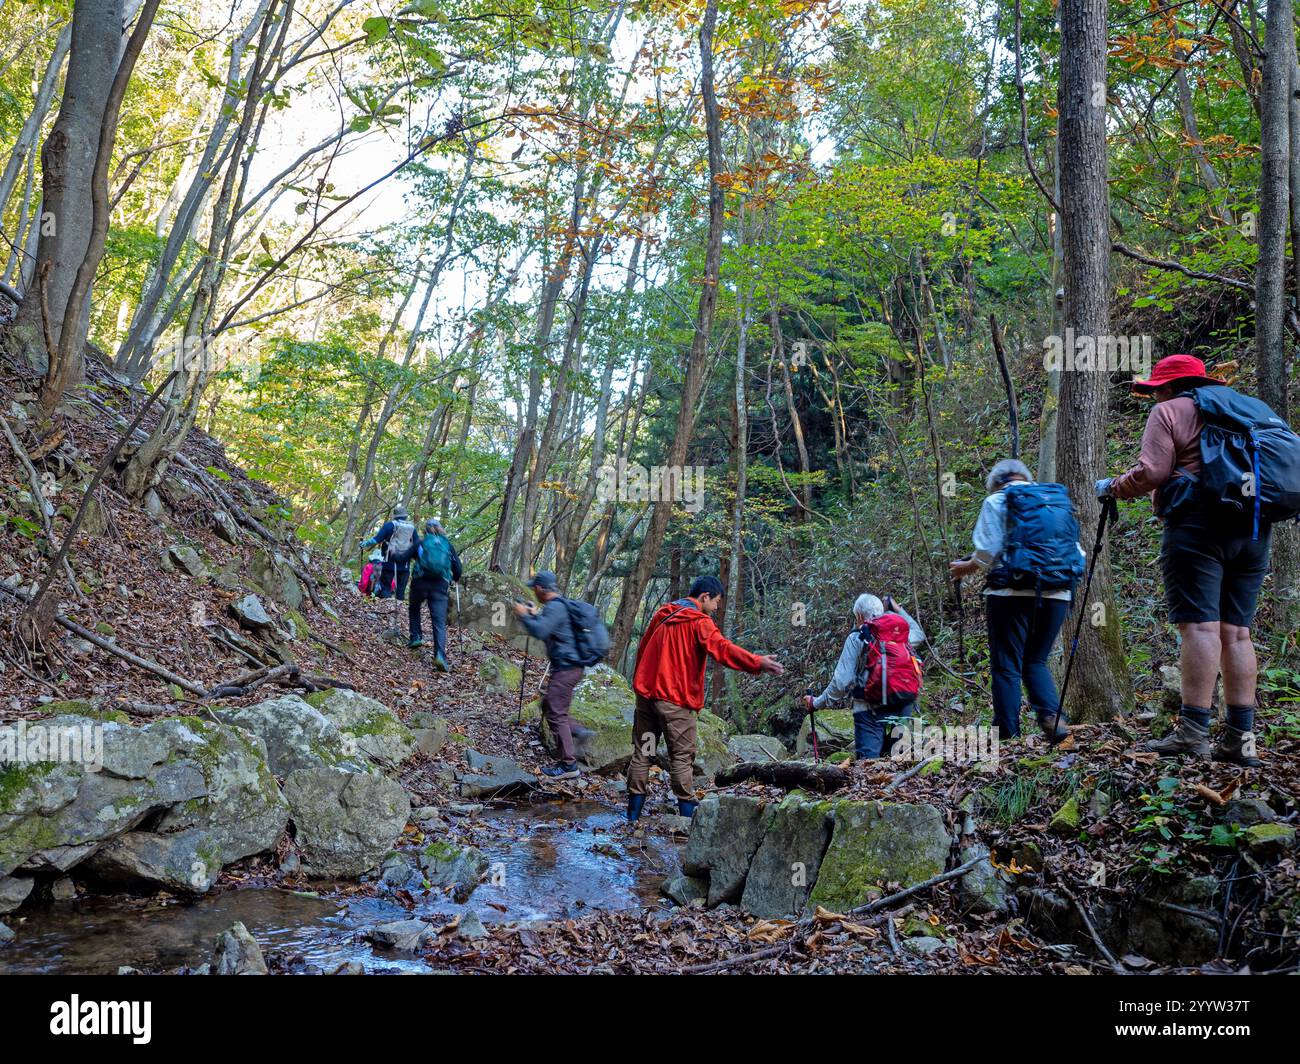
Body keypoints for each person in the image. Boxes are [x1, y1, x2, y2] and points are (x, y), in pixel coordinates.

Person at [1096, 355, 1268, 766]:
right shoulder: (1244, 406)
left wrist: (1114, 486)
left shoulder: (1168, 410)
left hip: (1197, 528)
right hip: (1255, 528)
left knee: (1201, 629)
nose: (1154, 394)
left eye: (1156, 387)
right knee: (1238, 634)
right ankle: (1241, 742)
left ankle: (1194, 734)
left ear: (1168, 387)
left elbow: (1153, 471)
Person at [626, 576, 784, 823]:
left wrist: (640, 684)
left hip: (646, 699)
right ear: (705, 597)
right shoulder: (700, 622)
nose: (717, 608)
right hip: (675, 703)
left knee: (644, 752)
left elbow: (642, 649)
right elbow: (723, 650)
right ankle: (686, 820)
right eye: (717, 602)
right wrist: (757, 662)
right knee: (681, 756)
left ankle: (632, 818)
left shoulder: (663, 614)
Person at [949, 459, 1085, 744]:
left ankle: (1008, 736)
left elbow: (986, 553)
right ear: (1026, 477)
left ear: (995, 482)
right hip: (1058, 592)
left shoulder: (997, 500)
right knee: (1036, 660)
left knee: (1006, 665)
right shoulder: (1053, 502)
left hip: (1011, 593)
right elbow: (1079, 555)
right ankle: (1052, 717)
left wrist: (965, 567)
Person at [804, 593, 925, 759]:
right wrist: (896, 608)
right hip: (903, 704)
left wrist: (816, 703)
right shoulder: (900, 636)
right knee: (896, 760)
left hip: (870, 711)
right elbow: (919, 633)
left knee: (869, 765)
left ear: (859, 616)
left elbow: (841, 682)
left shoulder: (858, 637)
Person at [513, 571, 586, 780]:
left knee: (555, 713)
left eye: (535, 588)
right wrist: (534, 614)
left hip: (567, 667)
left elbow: (540, 631)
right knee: (549, 705)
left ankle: (569, 765)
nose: (533, 591)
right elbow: (549, 626)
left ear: (541, 589)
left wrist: (524, 615)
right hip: (570, 666)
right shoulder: (558, 607)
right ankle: (578, 732)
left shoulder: (555, 608)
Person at [408, 518, 462, 670]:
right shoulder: (447, 545)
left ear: (425, 530)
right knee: (438, 622)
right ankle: (439, 655)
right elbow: (458, 568)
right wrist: (455, 578)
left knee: (414, 607)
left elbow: (404, 556)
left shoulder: (421, 543)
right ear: (441, 529)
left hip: (420, 583)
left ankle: (416, 637)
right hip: (440, 585)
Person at [362, 505, 417, 601]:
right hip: (405, 565)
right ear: (406, 516)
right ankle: (399, 612)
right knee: (401, 591)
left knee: (386, 587)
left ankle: (387, 610)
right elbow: (417, 545)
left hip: (389, 563)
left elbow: (377, 539)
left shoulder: (389, 525)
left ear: (394, 515)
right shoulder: (412, 529)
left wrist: (364, 544)